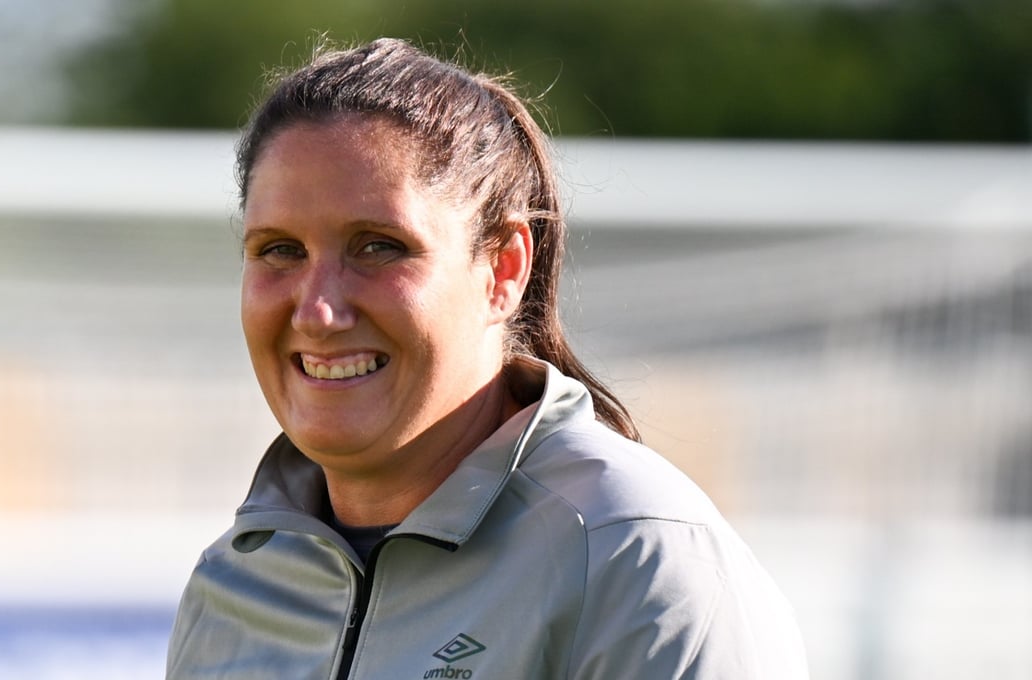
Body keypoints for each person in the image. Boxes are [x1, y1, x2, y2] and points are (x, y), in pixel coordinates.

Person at [166, 37, 808, 680]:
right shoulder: (229, 589)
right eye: (279, 250)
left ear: (503, 269)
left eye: (378, 247)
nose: (318, 312)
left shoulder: (635, 555)